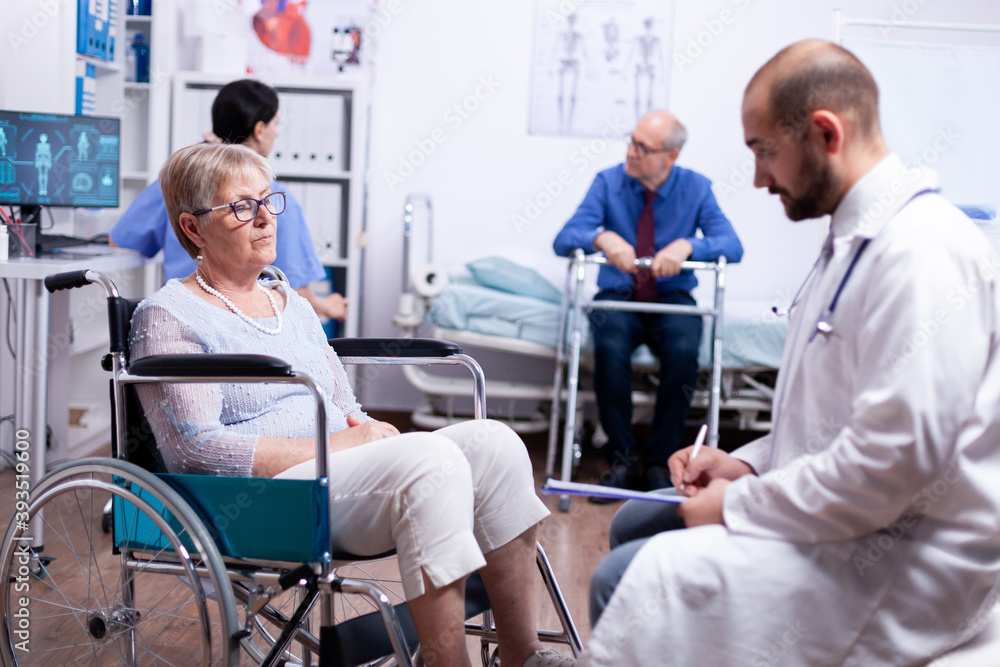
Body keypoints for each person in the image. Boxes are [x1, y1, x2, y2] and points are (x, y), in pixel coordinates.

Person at [578, 40, 1000, 666]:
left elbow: (892, 463)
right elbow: (830, 418)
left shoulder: (922, 254)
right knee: (633, 523)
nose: (758, 177)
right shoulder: (851, 241)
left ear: (826, 133)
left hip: (904, 558)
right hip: (857, 511)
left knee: (624, 578)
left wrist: (740, 503)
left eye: (763, 150)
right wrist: (746, 466)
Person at [130, 142, 564, 667]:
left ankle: (523, 655)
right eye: (242, 207)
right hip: (260, 499)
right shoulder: (168, 317)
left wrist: (374, 434)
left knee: (496, 443)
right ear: (193, 228)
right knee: (433, 462)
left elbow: (344, 405)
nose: (266, 218)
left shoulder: (290, 303)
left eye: (268, 200)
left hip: (332, 470)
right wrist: (345, 442)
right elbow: (196, 451)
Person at [552, 110, 743, 494]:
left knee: (684, 352)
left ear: (670, 156)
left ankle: (660, 463)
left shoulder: (696, 188)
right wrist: (601, 238)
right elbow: (564, 238)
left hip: (673, 298)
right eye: (632, 141)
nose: (631, 151)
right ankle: (622, 461)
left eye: (643, 147)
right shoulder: (608, 182)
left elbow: (732, 246)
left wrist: (689, 245)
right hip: (618, 296)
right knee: (609, 348)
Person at [111, 78, 347, 322]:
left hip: (182, 312)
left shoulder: (176, 182)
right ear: (259, 130)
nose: (276, 132)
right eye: (275, 124)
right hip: (243, 322)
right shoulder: (270, 200)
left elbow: (120, 240)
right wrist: (329, 306)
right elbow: (295, 293)